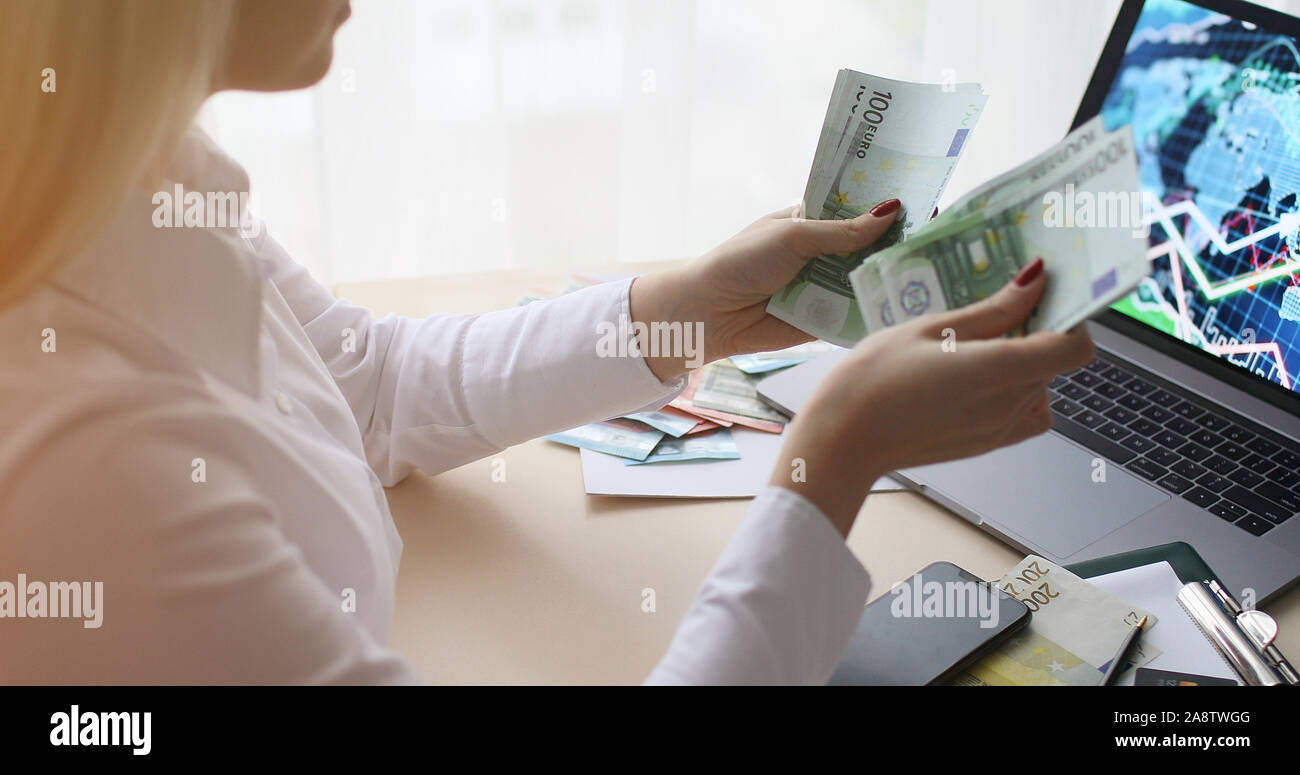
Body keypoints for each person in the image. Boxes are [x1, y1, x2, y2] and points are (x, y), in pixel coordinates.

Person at [0, 0, 1093, 684]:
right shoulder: (94, 473)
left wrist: (681, 308)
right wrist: (830, 460)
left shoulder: (143, 171)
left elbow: (365, 393)